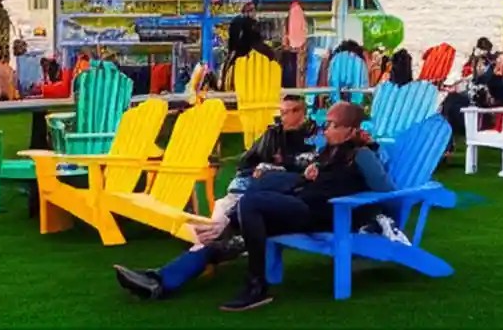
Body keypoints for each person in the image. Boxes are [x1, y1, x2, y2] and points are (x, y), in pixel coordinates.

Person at [112, 102, 393, 312]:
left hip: (323, 216)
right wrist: (302, 172)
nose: (326, 128)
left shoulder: (362, 154)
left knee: (252, 202)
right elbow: (306, 171)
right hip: (299, 206)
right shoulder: (329, 151)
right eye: (327, 123)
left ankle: (256, 286)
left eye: (332, 124)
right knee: (251, 202)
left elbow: (386, 191)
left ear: (351, 130)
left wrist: (373, 151)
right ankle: (159, 280)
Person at [185, 95, 318, 246]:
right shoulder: (274, 133)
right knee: (223, 205)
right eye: (281, 112)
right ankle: (207, 244)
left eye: (285, 113)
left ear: (300, 112)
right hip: (257, 182)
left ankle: (207, 243)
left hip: (283, 188)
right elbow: (250, 159)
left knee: (228, 210)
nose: (282, 118)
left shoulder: (312, 136)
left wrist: (277, 165)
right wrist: (261, 166)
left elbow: (308, 163)